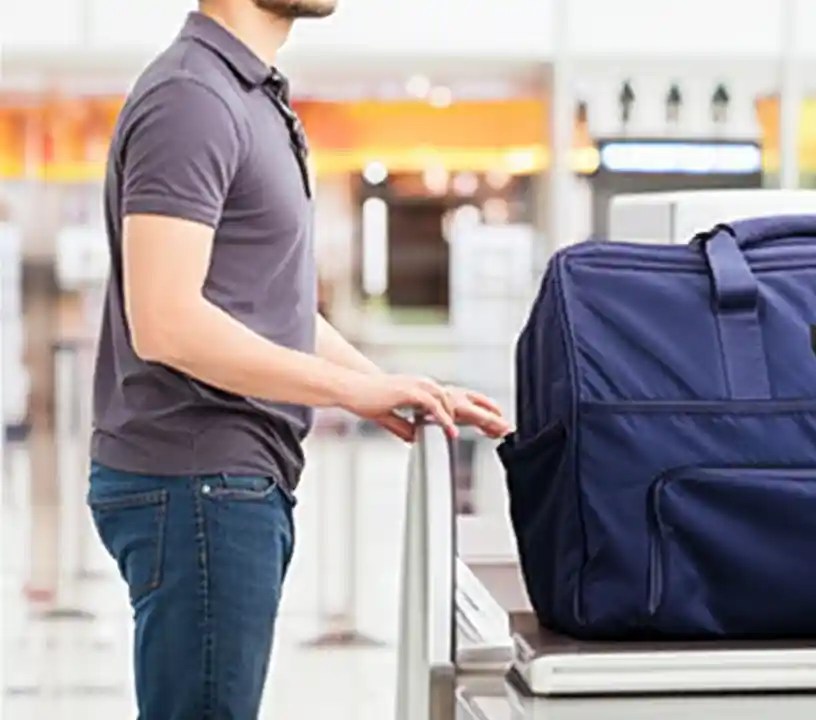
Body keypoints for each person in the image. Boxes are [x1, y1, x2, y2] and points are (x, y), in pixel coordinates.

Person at [86, 2, 512, 717]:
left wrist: (394, 389)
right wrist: (348, 394)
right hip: (200, 478)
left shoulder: (247, 95)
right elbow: (165, 321)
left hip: (225, 482)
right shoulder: (192, 97)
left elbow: (273, 311)